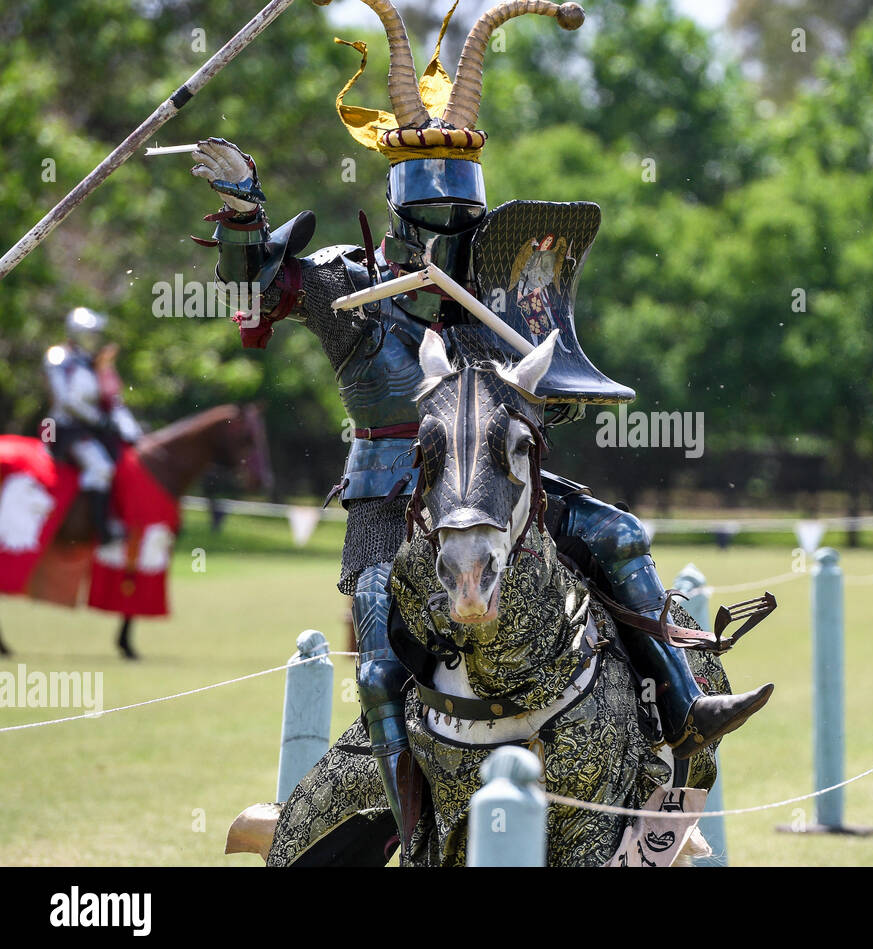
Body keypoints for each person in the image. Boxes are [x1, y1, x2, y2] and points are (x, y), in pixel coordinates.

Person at [187, 0, 769, 857]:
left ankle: (685, 708)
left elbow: (554, 391)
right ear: (400, 211)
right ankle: (410, 818)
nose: (446, 239)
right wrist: (244, 212)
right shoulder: (345, 286)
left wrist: (550, 389)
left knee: (619, 533)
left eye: (459, 224)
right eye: (432, 223)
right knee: (387, 650)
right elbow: (252, 295)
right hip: (396, 501)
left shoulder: (503, 296)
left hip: (501, 486)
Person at [42, 307, 143, 544]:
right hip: (64, 428)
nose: (94, 339)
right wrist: (99, 421)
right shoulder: (59, 357)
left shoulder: (94, 363)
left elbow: (112, 400)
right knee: (100, 467)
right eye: (91, 333)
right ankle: (101, 529)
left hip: (92, 428)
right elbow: (65, 400)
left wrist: (131, 430)